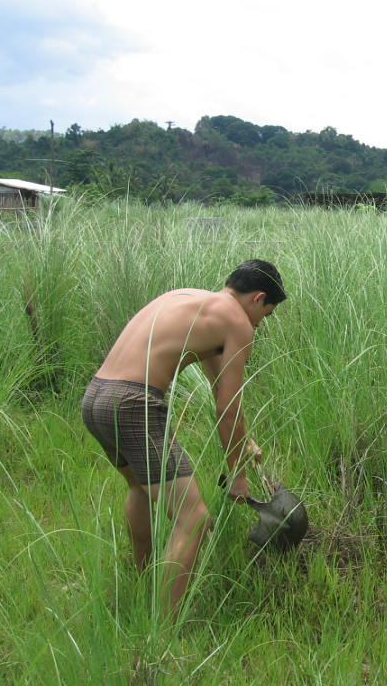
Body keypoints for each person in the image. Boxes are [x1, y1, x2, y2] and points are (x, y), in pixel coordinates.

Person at [81, 259, 286, 619]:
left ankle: (143, 583)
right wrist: (237, 475)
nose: (259, 324)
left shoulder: (193, 299)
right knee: (194, 519)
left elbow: (218, 386)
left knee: (141, 489)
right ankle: (163, 628)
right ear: (258, 298)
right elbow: (228, 404)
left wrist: (245, 440)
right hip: (133, 404)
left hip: (97, 397)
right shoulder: (238, 322)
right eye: (265, 315)